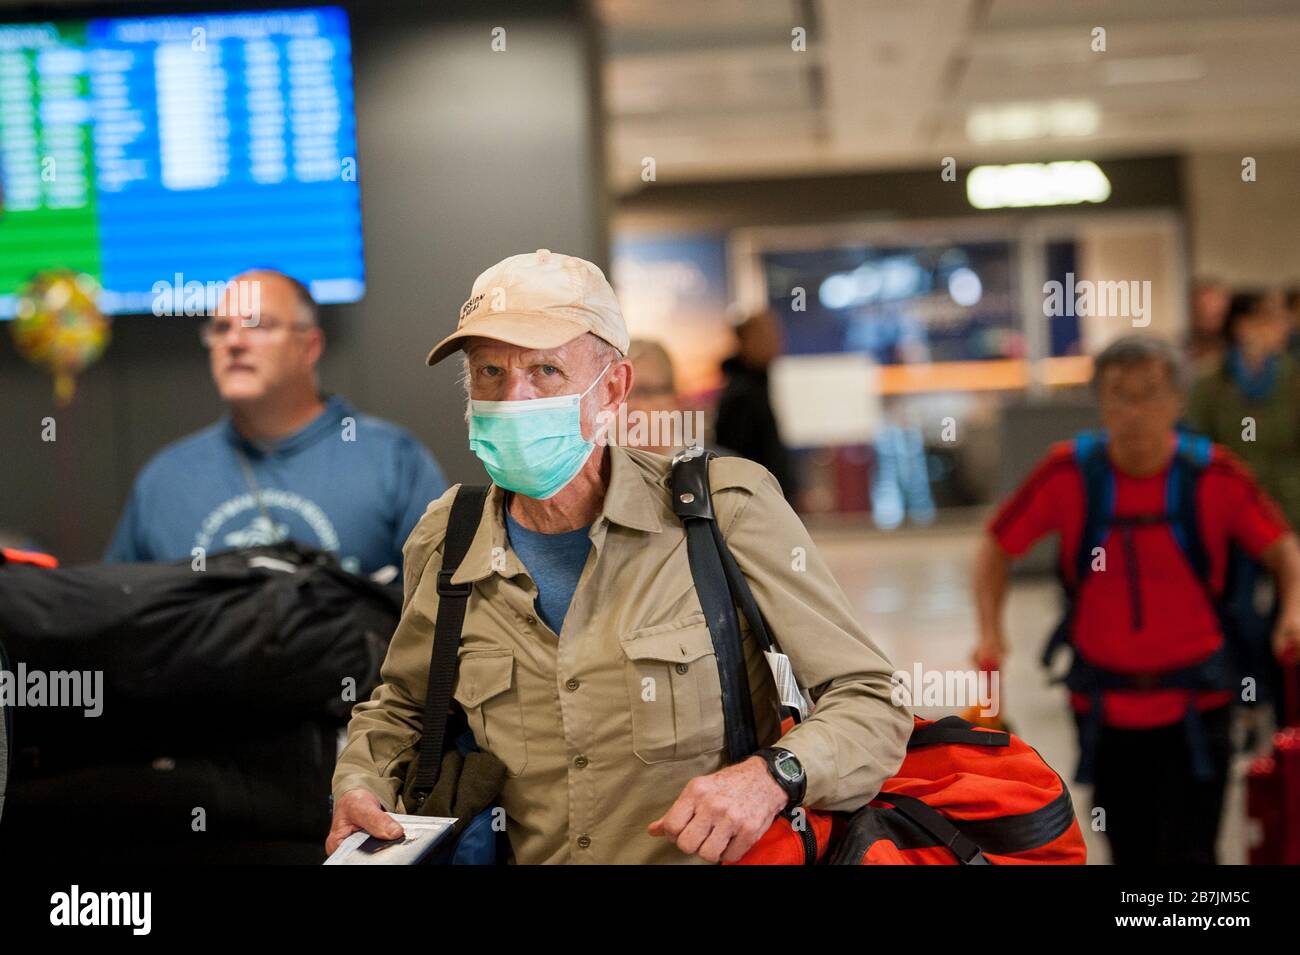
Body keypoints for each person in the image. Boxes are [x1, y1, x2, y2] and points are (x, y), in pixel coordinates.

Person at [329, 249, 911, 864]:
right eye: (489, 372)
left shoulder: (722, 512)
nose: (512, 398)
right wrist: (360, 784)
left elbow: (872, 698)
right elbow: (401, 708)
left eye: (546, 371)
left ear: (613, 387)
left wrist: (771, 776)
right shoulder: (450, 537)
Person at [972, 334, 1300, 865]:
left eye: (1149, 393)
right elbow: (995, 547)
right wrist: (991, 629)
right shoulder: (1070, 474)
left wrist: (1292, 610)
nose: (1133, 411)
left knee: (1193, 855)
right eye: (1118, 394)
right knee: (1129, 849)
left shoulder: (1212, 476)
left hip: (1199, 707)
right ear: (1100, 400)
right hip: (1104, 709)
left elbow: (1283, 549)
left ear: (1178, 400)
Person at [106, 270, 447, 578]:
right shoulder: (167, 479)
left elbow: (441, 613)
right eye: (221, 328)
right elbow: (119, 616)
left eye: (257, 324)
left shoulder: (392, 461)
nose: (234, 343)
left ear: (309, 347)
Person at [1188, 290, 1300, 723]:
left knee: (1287, 612)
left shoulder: (1292, 379)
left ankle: (1286, 713)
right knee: (1239, 613)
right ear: (1243, 325)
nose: (1281, 328)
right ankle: (1251, 701)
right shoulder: (1212, 382)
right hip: (1233, 518)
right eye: (1269, 318)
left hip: (1289, 512)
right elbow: (1197, 447)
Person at [713, 309, 799, 502]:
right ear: (745, 341)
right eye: (765, 335)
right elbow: (733, 461)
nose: (775, 343)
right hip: (756, 505)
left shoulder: (759, 387)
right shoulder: (741, 395)